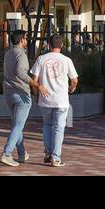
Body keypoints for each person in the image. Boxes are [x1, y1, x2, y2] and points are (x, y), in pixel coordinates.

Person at [29, 34, 78, 167]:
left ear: (48, 45)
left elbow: (34, 79)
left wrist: (36, 94)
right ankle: (55, 158)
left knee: (47, 125)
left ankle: (48, 153)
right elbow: (74, 80)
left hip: (45, 99)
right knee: (58, 128)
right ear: (61, 45)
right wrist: (71, 89)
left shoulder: (41, 59)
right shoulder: (66, 60)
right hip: (61, 99)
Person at [0, 28, 43, 166]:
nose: (27, 40)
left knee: (16, 125)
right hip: (21, 95)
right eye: (25, 37)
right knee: (18, 125)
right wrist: (36, 85)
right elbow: (20, 73)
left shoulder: (8, 53)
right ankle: (6, 154)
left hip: (8, 93)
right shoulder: (21, 55)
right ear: (21, 40)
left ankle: (22, 153)